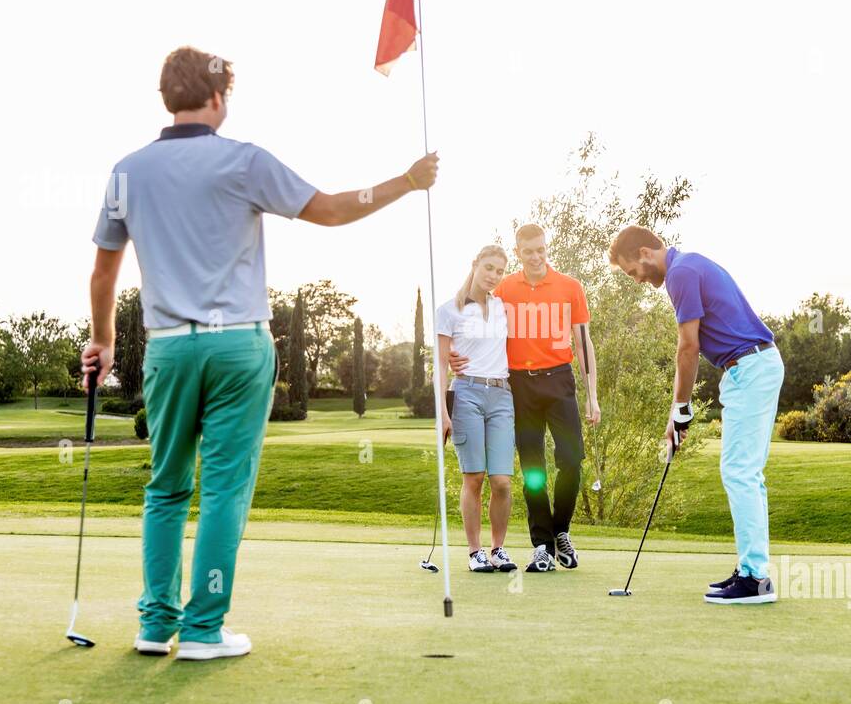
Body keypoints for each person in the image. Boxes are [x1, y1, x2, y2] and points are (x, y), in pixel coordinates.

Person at [82, 45, 439, 660]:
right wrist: (406, 182)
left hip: (167, 349)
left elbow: (102, 274)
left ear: (168, 98)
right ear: (216, 97)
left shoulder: (126, 172)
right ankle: (203, 630)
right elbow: (331, 210)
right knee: (223, 489)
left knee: (166, 487)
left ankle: (155, 625)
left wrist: (105, 341)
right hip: (237, 347)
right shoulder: (244, 160)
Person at [609, 225, 784, 605]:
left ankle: (755, 579)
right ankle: (752, 570)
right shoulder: (688, 266)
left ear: (644, 253)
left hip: (750, 368)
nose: (637, 280)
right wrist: (681, 413)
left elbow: (687, 348)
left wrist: (680, 410)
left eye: (632, 271)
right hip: (749, 368)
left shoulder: (681, 273)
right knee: (746, 474)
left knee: (740, 472)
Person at [451, 223, 600, 572]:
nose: (536, 257)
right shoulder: (504, 288)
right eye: (529, 251)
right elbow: (469, 315)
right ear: (518, 253)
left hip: (560, 380)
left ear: (547, 248)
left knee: (571, 460)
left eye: (541, 250)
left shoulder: (570, 287)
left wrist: (592, 396)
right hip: (519, 385)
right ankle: (542, 545)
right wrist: (453, 355)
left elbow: (583, 344)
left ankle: (560, 531)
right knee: (533, 468)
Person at [436, 245, 518, 572]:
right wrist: (442, 413)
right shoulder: (448, 311)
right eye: (489, 268)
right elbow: (440, 365)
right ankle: (475, 552)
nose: (494, 276)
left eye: (500, 271)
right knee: (474, 477)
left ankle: (498, 549)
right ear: (475, 265)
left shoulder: (504, 308)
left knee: (502, 481)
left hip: (501, 395)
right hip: (466, 393)